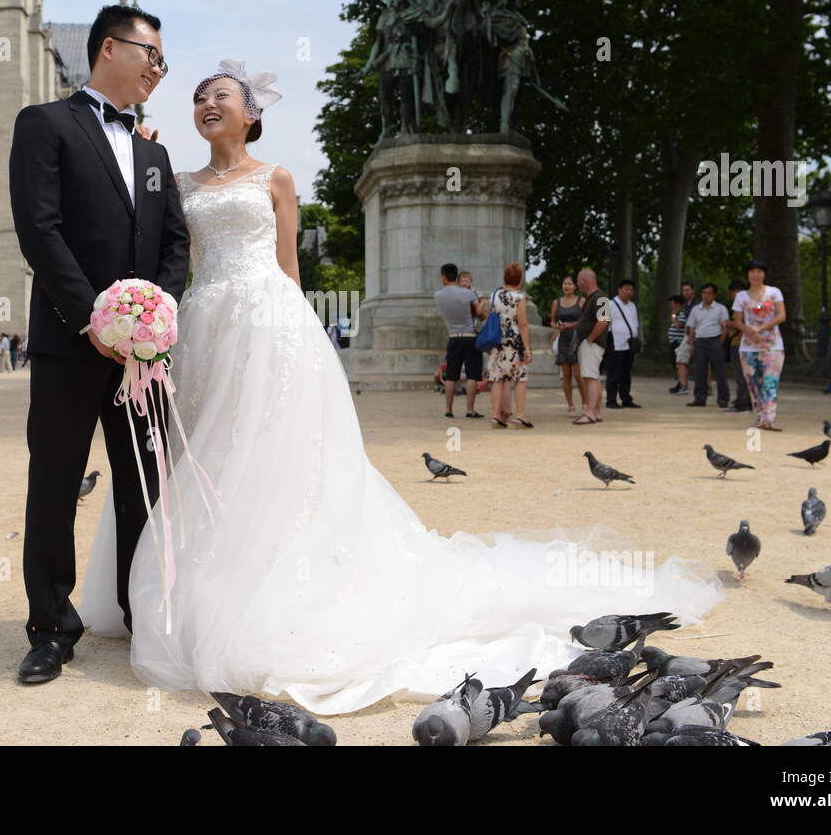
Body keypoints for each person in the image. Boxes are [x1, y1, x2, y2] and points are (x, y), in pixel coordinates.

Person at [76, 61, 722, 714]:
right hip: (204, 326)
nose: (206, 103)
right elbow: (149, 240)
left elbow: (289, 268)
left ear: (251, 113)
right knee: (200, 455)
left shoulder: (276, 177)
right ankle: (189, 590)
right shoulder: (177, 180)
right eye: (198, 98)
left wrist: (300, 342)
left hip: (269, 325)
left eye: (220, 95)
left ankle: (273, 591)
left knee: (271, 456)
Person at [9, 2, 190, 684]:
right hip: (69, 341)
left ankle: (143, 609)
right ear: (111, 48)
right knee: (54, 484)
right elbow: (40, 230)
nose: (159, 70)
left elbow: (173, 242)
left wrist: (153, 317)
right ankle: (52, 625)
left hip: (144, 357)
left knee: (145, 484)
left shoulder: (154, 152)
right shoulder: (44, 124)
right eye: (154, 56)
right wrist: (97, 320)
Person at [732, 261, 787, 430]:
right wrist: (750, 331)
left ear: (764, 274)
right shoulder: (741, 296)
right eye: (752, 271)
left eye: (759, 271)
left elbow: (781, 315)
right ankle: (760, 416)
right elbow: (737, 320)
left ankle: (770, 418)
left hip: (772, 345)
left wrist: (761, 328)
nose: (755, 275)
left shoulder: (774, 292)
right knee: (753, 384)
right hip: (749, 346)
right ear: (748, 274)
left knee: (771, 382)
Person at [434, 263, 486, 419]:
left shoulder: (438, 295)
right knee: (472, 375)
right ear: (456, 277)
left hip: (453, 337)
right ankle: (470, 410)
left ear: (443, 277)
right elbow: (480, 313)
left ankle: (448, 410)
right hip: (470, 337)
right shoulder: (467, 294)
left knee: (451, 376)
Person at [485, 262, 533, 428]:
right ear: (519, 280)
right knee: (520, 378)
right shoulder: (520, 298)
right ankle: (520, 416)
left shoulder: (494, 295)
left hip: (498, 341)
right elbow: (523, 324)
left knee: (497, 378)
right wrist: (527, 348)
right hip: (515, 343)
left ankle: (495, 416)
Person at [572, 269, 610, 425]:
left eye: (579, 281)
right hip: (591, 343)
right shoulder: (594, 298)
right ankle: (596, 411)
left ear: (585, 281)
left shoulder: (601, 297)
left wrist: (590, 339)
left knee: (590, 377)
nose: (578, 284)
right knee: (592, 377)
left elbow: (603, 321)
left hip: (592, 344)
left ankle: (589, 413)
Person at [684, 283, 729, 407]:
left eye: (709, 293)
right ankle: (699, 398)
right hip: (700, 341)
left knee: (720, 371)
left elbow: (725, 327)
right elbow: (692, 328)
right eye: (704, 293)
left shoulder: (721, 308)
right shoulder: (695, 309)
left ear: (714, 295)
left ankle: (723, 400)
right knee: (700, 371)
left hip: (715, 340)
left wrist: (721, 341)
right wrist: (692, 344)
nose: (706, 296)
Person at [549, 274, 584, 418]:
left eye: (569, 284)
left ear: (575, 286)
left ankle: (586, 403)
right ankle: (570, 405)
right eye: (564, 284)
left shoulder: (582, 301)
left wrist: (572, 325)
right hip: (563, 338)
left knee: (578, 374)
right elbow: (552, 321)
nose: (566, 286)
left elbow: (585, 320)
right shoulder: (557, 302)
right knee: (566, 375)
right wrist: (558, 326)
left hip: (577, 338)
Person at [604, 279, 641, 409]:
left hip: (629, 345)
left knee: (626, 373)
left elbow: (635, 324)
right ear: (619, 289)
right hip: (615, 344)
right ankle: (611, 400)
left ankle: (626, 398)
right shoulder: (608, 304)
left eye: (631, 290)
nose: (629, 292)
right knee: (613, 373)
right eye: (626, 289)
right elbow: (602, 324)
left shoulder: (632, 306)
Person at [721, 280, 752, 414]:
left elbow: (741, 323)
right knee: (745, 374)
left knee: (741, 375)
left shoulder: (743, 305)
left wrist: (728, 323)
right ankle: (747, 401)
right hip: (740, 342)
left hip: (739, 343)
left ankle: (742, 402)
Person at [669, 282, 698, 393]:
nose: (686, 292)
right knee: (681, 360)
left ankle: (684, 385)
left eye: (688, 290)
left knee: (681, 360)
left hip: (689, 336)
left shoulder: (695, 305)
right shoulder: (688, 306)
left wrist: (673, 316)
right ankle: (682, 384)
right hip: (687, 335)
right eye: (684, 290)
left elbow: (679, 325)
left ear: (693, 290)